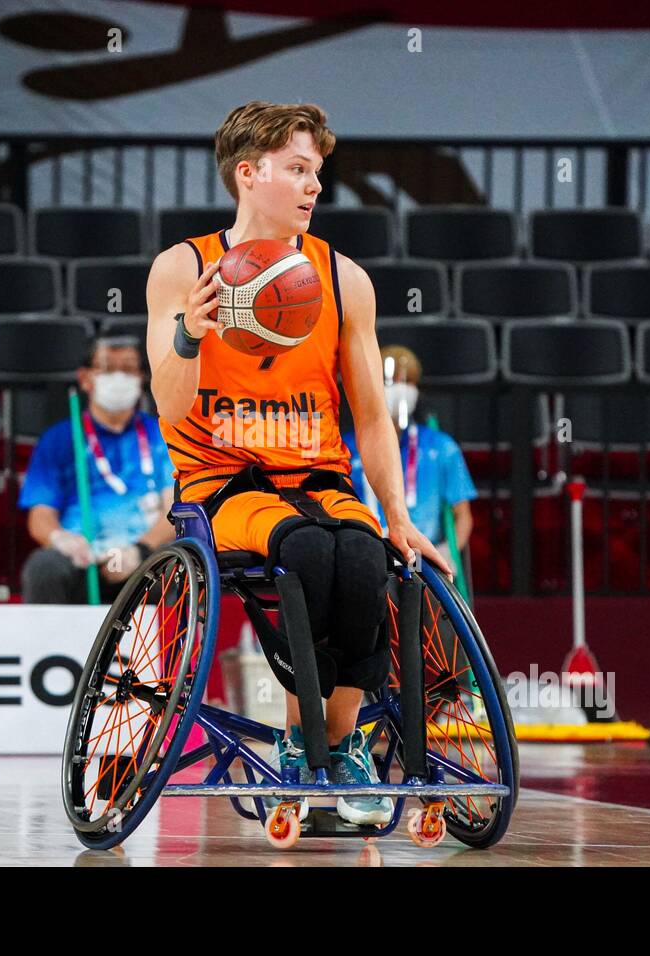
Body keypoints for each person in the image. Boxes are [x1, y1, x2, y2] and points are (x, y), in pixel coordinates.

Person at [145, 101, 452, 826]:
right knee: (308, 553)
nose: (314, 187)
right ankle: (303, 736)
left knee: (368, 558)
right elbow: (166, 405)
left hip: (318, 475)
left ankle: (336, 742)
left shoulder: (344, 280)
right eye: (297, 170)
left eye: (317, 172)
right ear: (248, 174)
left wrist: (400, 517)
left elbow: (372, 417)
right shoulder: (183, 267)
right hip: (221, 483)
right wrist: (190, 334)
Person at [20, 336, 176, 604]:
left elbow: (174, 508)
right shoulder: (59, 439)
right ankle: (54, 645)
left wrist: (140, 549)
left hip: (141, 558)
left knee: (175, 566)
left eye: (128, 369)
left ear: (141, 379)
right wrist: (61, 539)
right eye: (107, 368)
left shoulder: (162, 435)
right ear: (85, 378)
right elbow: (40, 516)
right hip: (81, 560)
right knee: (43, 568)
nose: (118, 377)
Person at [344, 345, 477, 563]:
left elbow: (462, 515)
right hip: (366, 555)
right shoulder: (346, 448)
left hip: (423, 558)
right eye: (389, 381)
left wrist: (446, 554)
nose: (398, 389)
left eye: (405, 382)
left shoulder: (442, 447)